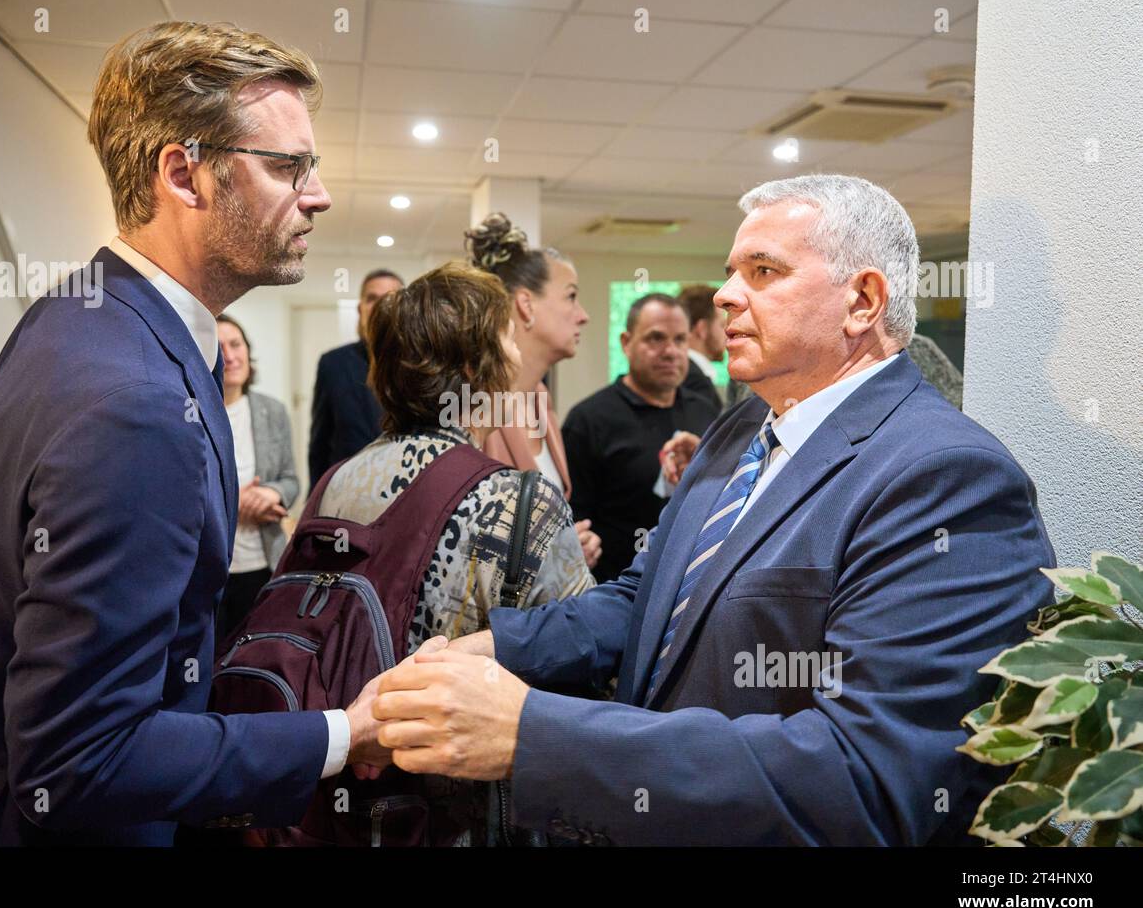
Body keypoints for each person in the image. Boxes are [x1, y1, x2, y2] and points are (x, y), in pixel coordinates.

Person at [368, 174, 1056, 846]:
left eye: (763, 271)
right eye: (732, 271)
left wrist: (531, 734)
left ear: (863, 301)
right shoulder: (741, 428)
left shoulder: (949, 478)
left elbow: (870, 779)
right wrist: (489, 647)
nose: (726, 295)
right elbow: (651, 595)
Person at [0, 20, 391, 847]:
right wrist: (341, 735)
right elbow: (83, 759)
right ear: (182, 172)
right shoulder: (134, 401)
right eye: (287, 165)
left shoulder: (79, 311)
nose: (319, 195)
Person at [314, 260, 593, 843]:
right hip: (463, 798)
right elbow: (581, 651)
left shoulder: (336, 480)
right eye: (503, 340)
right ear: (475, 367)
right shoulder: (518, 497)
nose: (515, 356)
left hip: (350, 783)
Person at [464, 212, 601, 570]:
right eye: (571, 297)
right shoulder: (473, 407)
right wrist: (554, 558)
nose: (583, 315)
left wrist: (570, 549)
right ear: (526, 305)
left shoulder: (540, 398)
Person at [561, 293, 719, 584]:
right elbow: (572, 522)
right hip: (616, 592)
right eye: (656, 339)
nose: (670, 351)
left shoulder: (706, 410)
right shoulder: (589, 420)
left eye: (680, 340)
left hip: (690, 588)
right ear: (626, 342)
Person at [215, 313, 299, 648]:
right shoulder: (190, 409)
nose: (231, 356)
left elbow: (291, 480)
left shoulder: (272, 411)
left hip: (264, 561)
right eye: (219, 348)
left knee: (256, 656)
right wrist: (234, 505)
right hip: (214, 567)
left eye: (236, 345)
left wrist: (270, 493)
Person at [307, 269, 401, 484]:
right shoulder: (333, 363)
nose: (379, 306)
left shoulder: (420, 364)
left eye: (389, 299)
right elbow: (320, 443)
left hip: (404, 492)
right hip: (345, 491)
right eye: (371, 299)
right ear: (360, 309)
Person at [678, 284, 743, 407]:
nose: (728, 333)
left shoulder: (687, 375)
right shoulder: (693, 381)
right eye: (721, 324)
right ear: (702, 329)